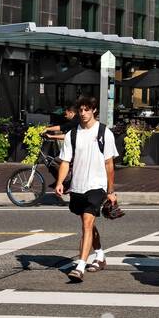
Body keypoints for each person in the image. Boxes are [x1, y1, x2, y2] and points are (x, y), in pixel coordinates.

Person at [55, 94, 119, 281]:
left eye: (87, 110)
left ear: (94, 110)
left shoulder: (104, 133)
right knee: (88, 223)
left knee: (87, 224)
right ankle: (99, 255)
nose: (83, 114)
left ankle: (80, 266)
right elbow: (65, 161)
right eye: (80, 110)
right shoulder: (72, 134)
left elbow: (109, 164)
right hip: (77, 186)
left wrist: (110, 191)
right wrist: (60, 182)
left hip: (96, 186)